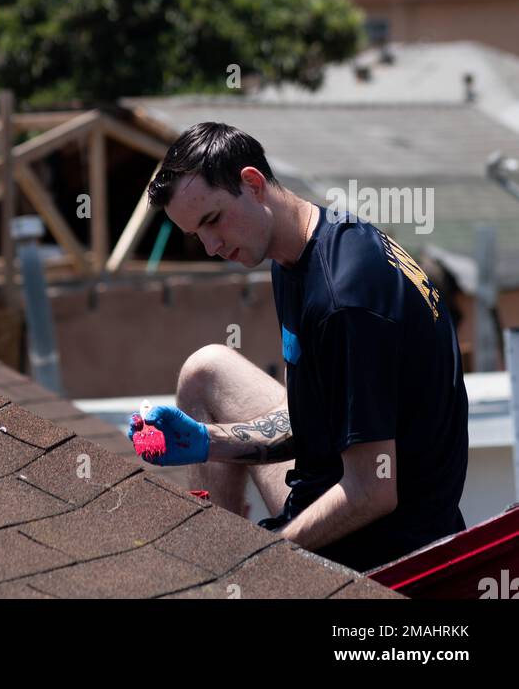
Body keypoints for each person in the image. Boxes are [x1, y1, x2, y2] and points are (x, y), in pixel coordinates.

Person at [128, 121, 469, 574]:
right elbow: (307, 418)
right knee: (205, 370)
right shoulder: (301, 248)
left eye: (212, 221)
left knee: (243, 572)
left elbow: (373, 491)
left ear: (252, 184)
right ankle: (211, 561)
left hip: (384, 545)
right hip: (332, 483)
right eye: (196, 235)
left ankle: (224, 574)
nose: (211, 246)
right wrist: (206, 443)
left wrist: (263, 559)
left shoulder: (343, 299)